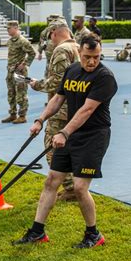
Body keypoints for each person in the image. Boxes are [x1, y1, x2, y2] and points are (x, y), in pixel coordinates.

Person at [14, 34, 118, 248]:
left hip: (93, 135)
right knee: (52, 180)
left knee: (80, 187)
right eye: (88, 57)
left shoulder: (104, 77)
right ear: (79, 52)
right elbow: (58, 98)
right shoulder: (72, 70)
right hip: (70, 132)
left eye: (96, 57)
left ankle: (94, 235)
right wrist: (40, 119)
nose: (92, 62)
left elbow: (86, 110)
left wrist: (63, 133)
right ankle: (37, 232)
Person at [30, 20, 80, 201]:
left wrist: (36, 84)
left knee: (52, 148)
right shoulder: (78, 47)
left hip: (62, 108)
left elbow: (58, 82)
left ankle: (70, 187)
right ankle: (74, 185)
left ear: (53, 33)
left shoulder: (61, 50)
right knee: (69, 147)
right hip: (77, 108)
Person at [2, 20, 36, 124]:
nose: (7, 30)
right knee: (11, 93)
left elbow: (32, 53)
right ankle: (13, 114)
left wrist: (24, 64)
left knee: (21, 93)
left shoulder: (22, 41)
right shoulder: (11, 40)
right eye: (7, 28)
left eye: (9, 28)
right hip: (11, 70)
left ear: (16, 28)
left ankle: (22, 116)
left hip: (20, 72)